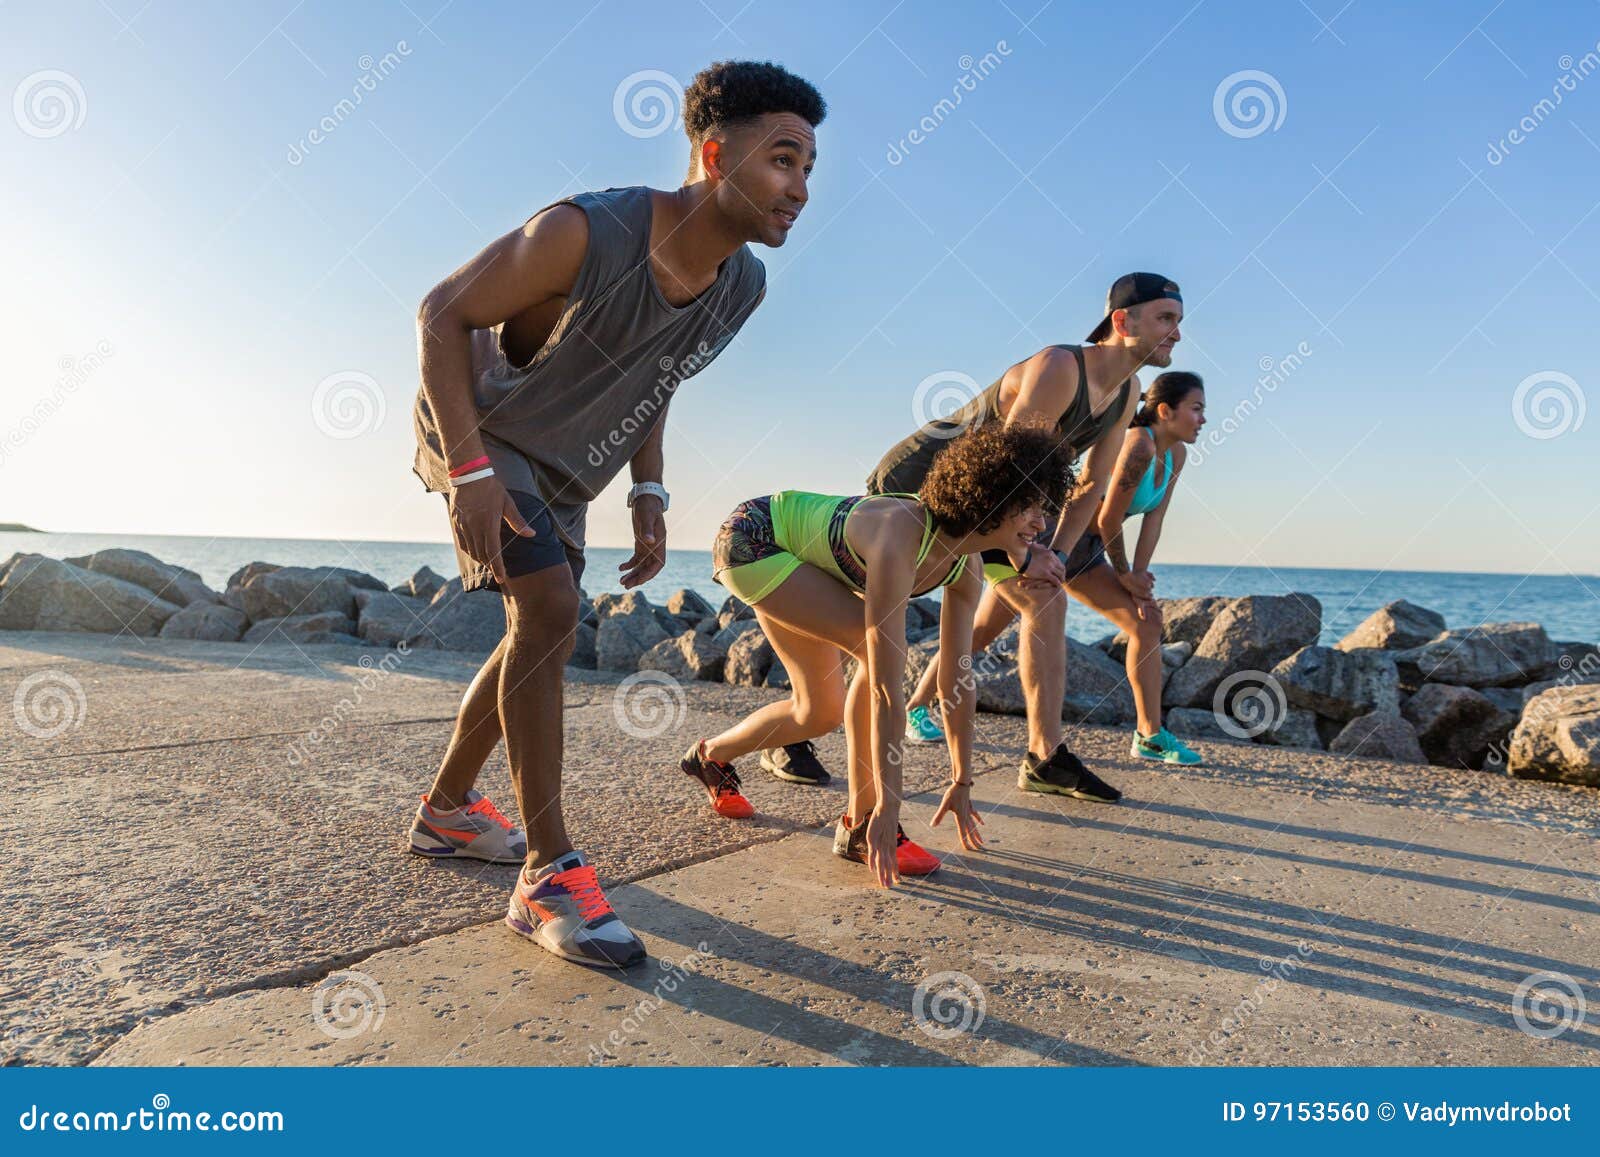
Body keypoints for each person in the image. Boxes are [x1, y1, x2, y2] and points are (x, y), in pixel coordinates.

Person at [405, 61, 826, 969]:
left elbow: (656, 373)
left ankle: (445, 810)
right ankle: (549, 875)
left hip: (567, 455)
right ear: (715, 154)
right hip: (479, 425)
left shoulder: (740, 287)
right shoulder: (582, 231)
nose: (799, 189)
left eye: (810, 170)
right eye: (783, 160)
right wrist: (472, 469)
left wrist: (648, 492)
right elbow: (441, 315)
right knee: (550, 610)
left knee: (538, 629)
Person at [774, 273, 1182, 802]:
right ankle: (799, 732)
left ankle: (1044, 757)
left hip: (989, 511)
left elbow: (1090, 486)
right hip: (917, 487)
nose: (1176, 334)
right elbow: (1009, 470)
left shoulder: (1125, 393)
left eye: (1178, 322)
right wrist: (1024, 551)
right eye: (1165, 320)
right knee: (869, 625)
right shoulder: (1061, 368)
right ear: (1122, 321)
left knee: (1046, 598)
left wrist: (1052, 554)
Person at [681, 423, 1076, 886]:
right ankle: (861, 823)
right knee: (876, 657)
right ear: (991, 496)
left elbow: (956, 676)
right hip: (754, 539)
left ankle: (709, 757)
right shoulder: (901, 536)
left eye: (1044, 507)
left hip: (799, 556)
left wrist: (963, 779)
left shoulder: (965, 566)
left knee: (819, 712)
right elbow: (889, 688)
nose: (1041, 523)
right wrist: (889, 804)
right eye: (1029, 507)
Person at [1080, 371, 1207, 764]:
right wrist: (1125, 576)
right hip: (1057, 543)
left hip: (1093, 548)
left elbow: (1154, 518)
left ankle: (1149, 735)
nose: (1203, 419)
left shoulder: (1176, 455)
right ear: (1166, 411)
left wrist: (1141, 580)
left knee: (1147, 621)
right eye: (1197, 409)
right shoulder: (1138, 445)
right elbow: (1107, 520)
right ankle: (917, 705)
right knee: (983, 631)